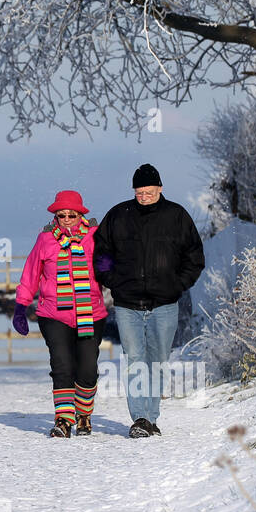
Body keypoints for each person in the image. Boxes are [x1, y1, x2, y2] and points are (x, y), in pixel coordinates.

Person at [92, 164, 205, 438]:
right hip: (128, 303)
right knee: (134, 361)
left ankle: (151, 418)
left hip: (164, 304)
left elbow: (194, 256)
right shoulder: (119, 215)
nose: (143, 196)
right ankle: (140, 418)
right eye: (139, 192)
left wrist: (177, 285)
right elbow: (101, 251)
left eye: (149, 192)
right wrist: (111, 279)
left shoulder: (176, 216)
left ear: (160, 189)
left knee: (156, 361)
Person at [12, 190, 109, 438]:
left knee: (88, 369)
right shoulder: (45, 239)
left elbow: (111, 264)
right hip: (53, 314)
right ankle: (64, 420)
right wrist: (20, 307)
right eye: (61, 215)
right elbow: (31, 273)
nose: (66, 219)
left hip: (91, 313)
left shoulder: (96, 237)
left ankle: (84, 414)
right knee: (62, 365)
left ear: (80, 215)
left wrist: (109, 265)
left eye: (71, 215)